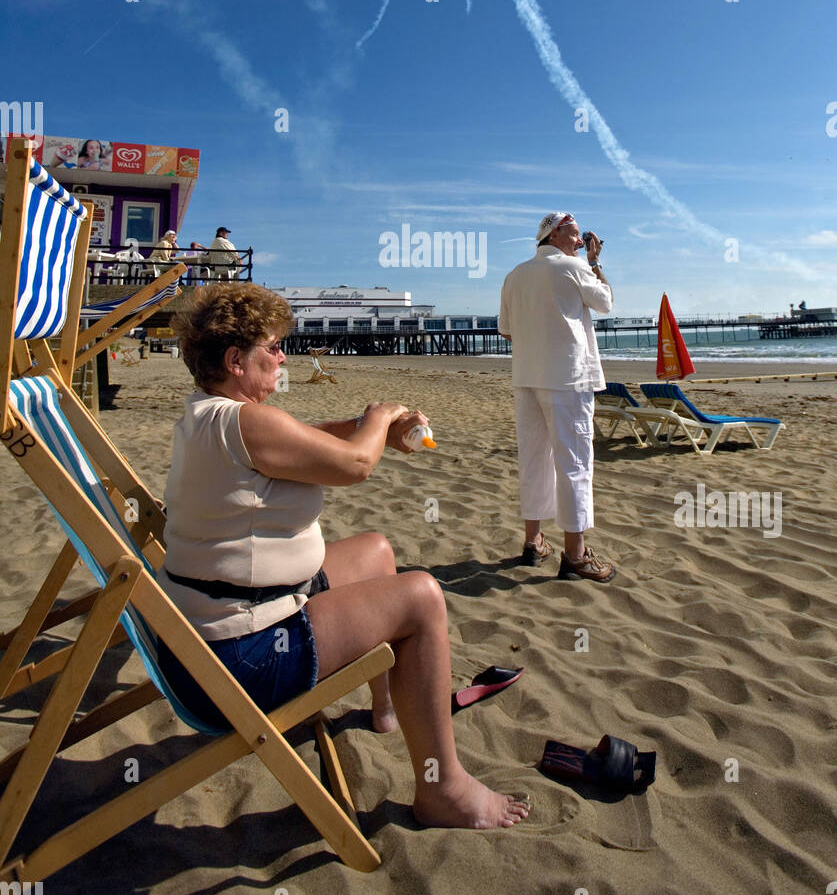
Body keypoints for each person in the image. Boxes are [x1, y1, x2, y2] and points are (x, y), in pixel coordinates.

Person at [157, 284, 530, 831]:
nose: (283, 357)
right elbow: (355, 465)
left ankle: (387, 709)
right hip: (239, 662)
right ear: (236, 361)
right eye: (272, 348)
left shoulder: (210, 417)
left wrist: (368, 427)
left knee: (375, 550)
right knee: (422, 595)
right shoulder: (245, 422)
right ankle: (443, 791)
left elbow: (307, 440)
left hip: (210, 639)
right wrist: (379, 418)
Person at [498, 211, 616, 584]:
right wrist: (595, 263)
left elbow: (505, 331)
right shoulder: (574, 267)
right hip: (567, 378)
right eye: (577, 234)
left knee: (534, 459)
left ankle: (533, 542)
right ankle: (576, 555)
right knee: (575, 463)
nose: (581, 241)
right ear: (554, 235)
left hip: (527, 378)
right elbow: (606, 303)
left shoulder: (514, 275)